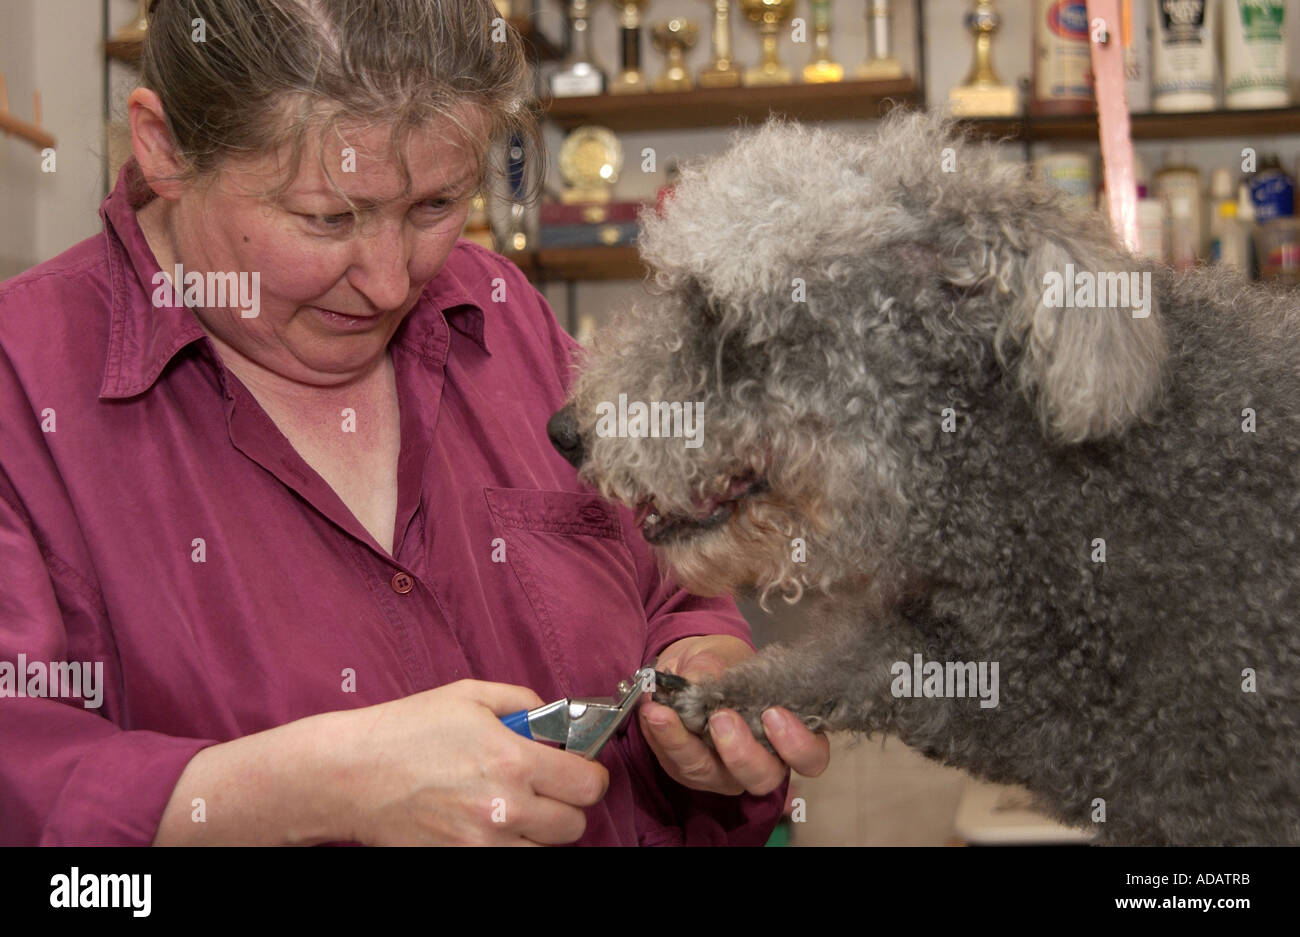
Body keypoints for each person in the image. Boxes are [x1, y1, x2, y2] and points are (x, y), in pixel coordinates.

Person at [0, 0, 828, 845]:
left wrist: (698, 672)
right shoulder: (22, 393)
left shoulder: (504, 315)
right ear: (166, 146)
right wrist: (316, 788)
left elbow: (671, 593)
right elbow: (23, 780)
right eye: (329, 218)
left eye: (437, 205)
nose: (394, 283)